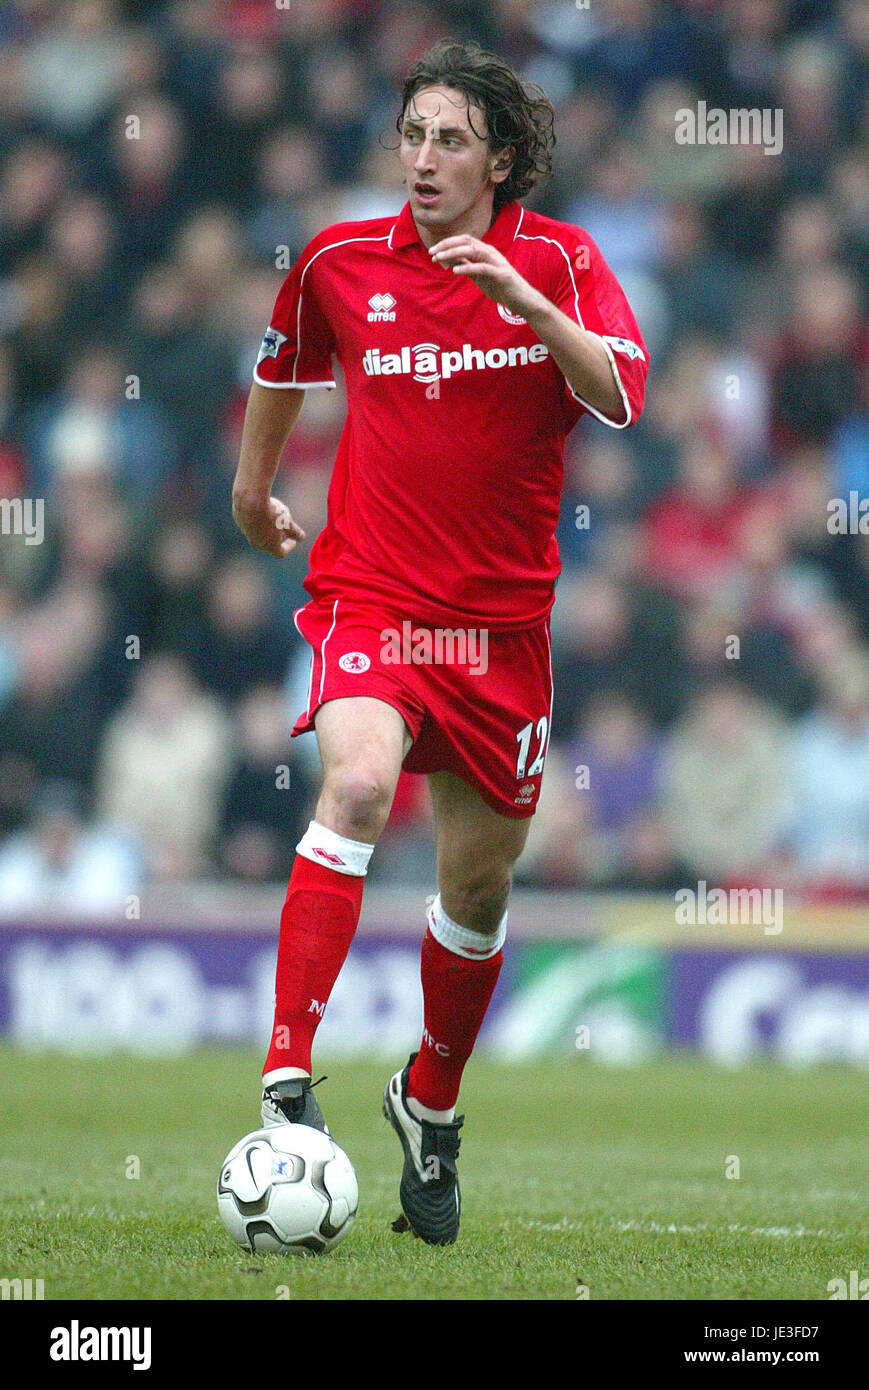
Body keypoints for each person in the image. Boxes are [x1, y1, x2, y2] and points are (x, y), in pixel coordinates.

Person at [231, 39, 649, 1245]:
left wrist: (524, 306)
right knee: (356, 784)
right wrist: (253, 493)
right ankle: (286, 1080)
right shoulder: (337, 259)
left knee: (474, 890)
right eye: (411, 134)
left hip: (500, 636)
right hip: (371, 598)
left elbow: (620, 391)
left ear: (500, 160)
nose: (422, 158)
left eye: (449, 139)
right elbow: (281, 367)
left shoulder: (560, 260)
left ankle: (430, 1102)